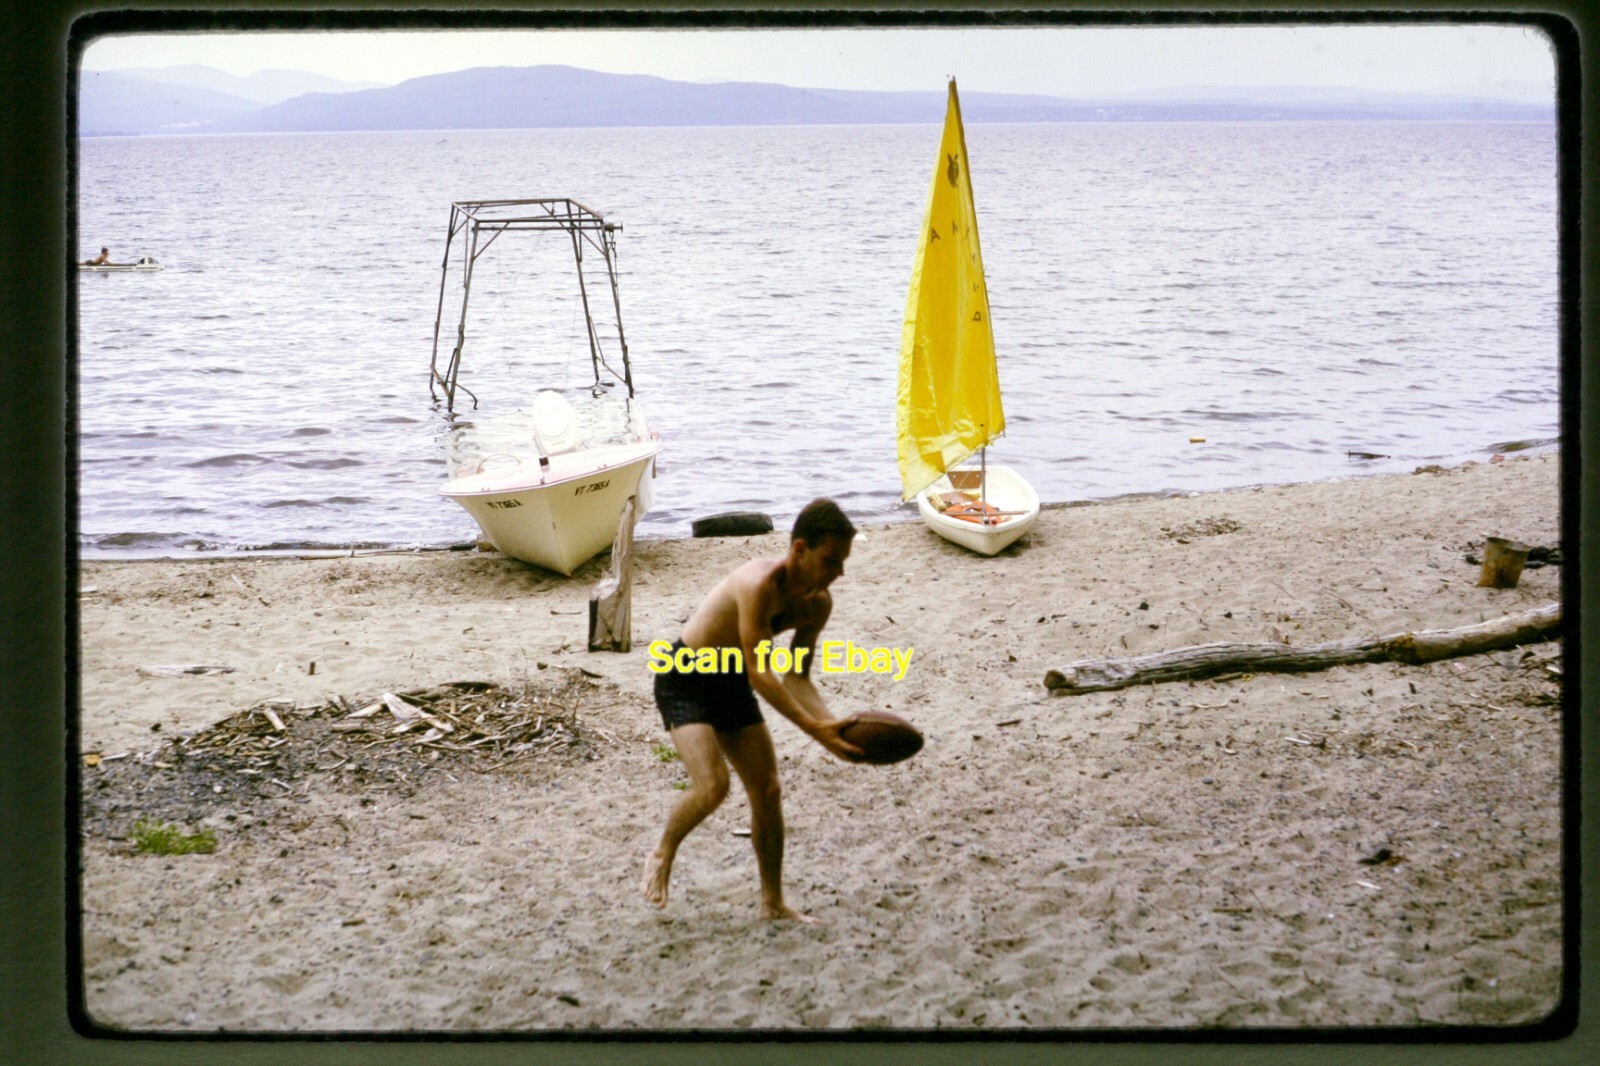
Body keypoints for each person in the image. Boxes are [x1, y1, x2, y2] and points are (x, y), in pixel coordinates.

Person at [642, 498, 865, 922]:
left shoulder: (818, 604)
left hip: (728, 680)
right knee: (713, 786)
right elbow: (761, 671)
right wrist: (813, 728)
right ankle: (663, 850)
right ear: (799, 549)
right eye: (831, 560)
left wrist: (831, 725)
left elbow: (797, 677)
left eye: (843, 562)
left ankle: (773, 904)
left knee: (768, 791)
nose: (839, 572)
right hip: (685, 674)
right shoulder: (757, 585)